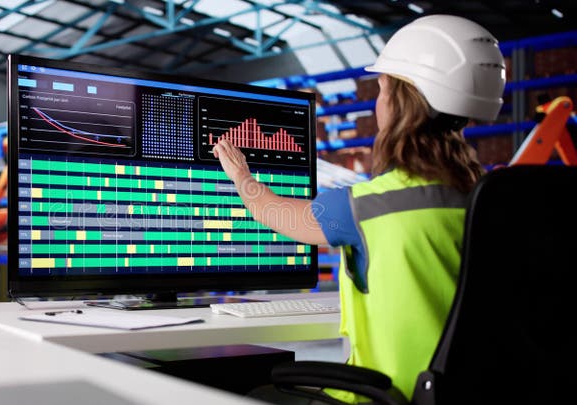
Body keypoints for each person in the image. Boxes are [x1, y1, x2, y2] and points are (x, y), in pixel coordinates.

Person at [214, 14, 505, 403]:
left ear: (401, 103)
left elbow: (276, 214)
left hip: (388, 395)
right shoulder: (491, 200)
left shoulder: (366, 206)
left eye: (383, 90)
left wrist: (242, 178)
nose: (378, 102)